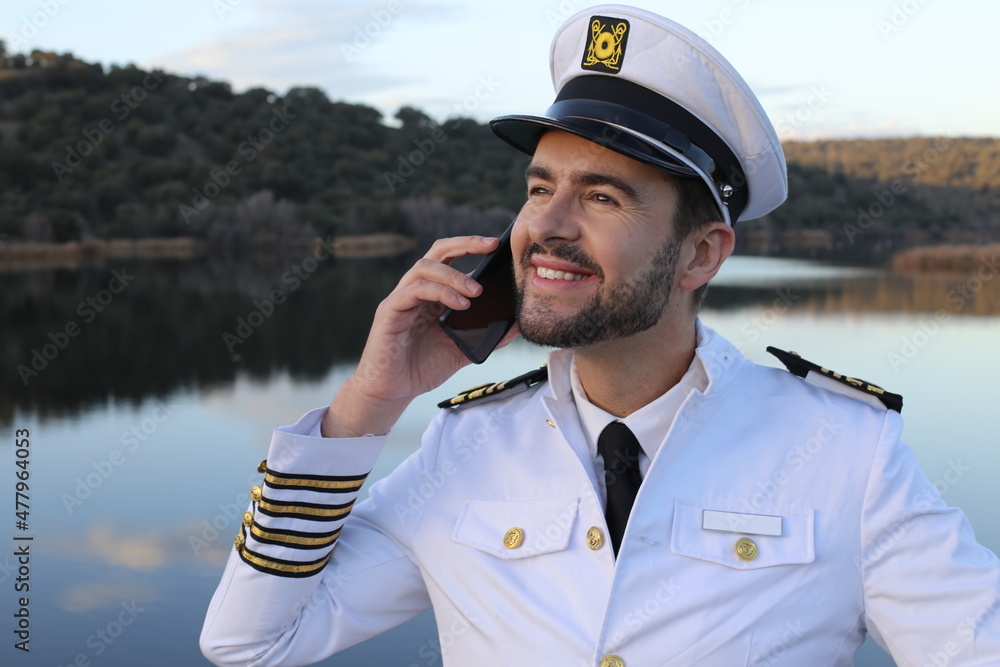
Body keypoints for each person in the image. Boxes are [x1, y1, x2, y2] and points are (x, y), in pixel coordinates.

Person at [201, 5, 1000, 666]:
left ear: (700, 253)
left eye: (602, 197)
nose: (543, 226)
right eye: (538, 187)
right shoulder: (463, 449)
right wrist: (368, 404)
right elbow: (251, 639)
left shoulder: (843, 452)